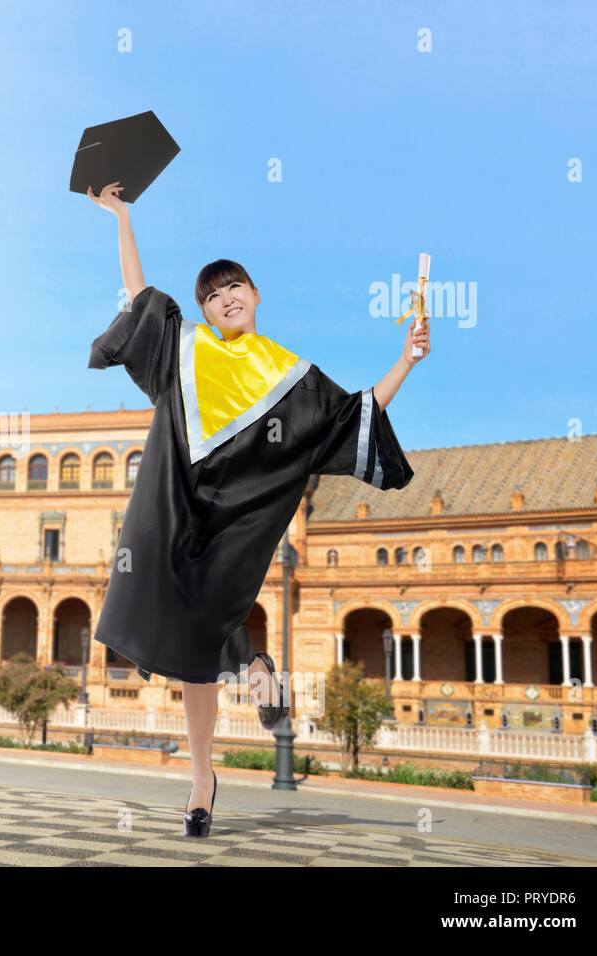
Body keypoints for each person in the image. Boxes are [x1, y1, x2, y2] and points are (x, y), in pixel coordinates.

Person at [85, 180, 429, 835]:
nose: (225, 297)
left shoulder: (290, 374)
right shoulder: (187, 353)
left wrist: (405, 360)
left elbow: (352, 416)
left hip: (239, 521)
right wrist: (123, 218)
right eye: (212, 294)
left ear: (256, 293)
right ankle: (203, 775)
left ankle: (251, 666)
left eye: (233, 285)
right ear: (206, 311)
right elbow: (140, 297)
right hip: (179, 510)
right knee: (191, 650)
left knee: (208, 620)